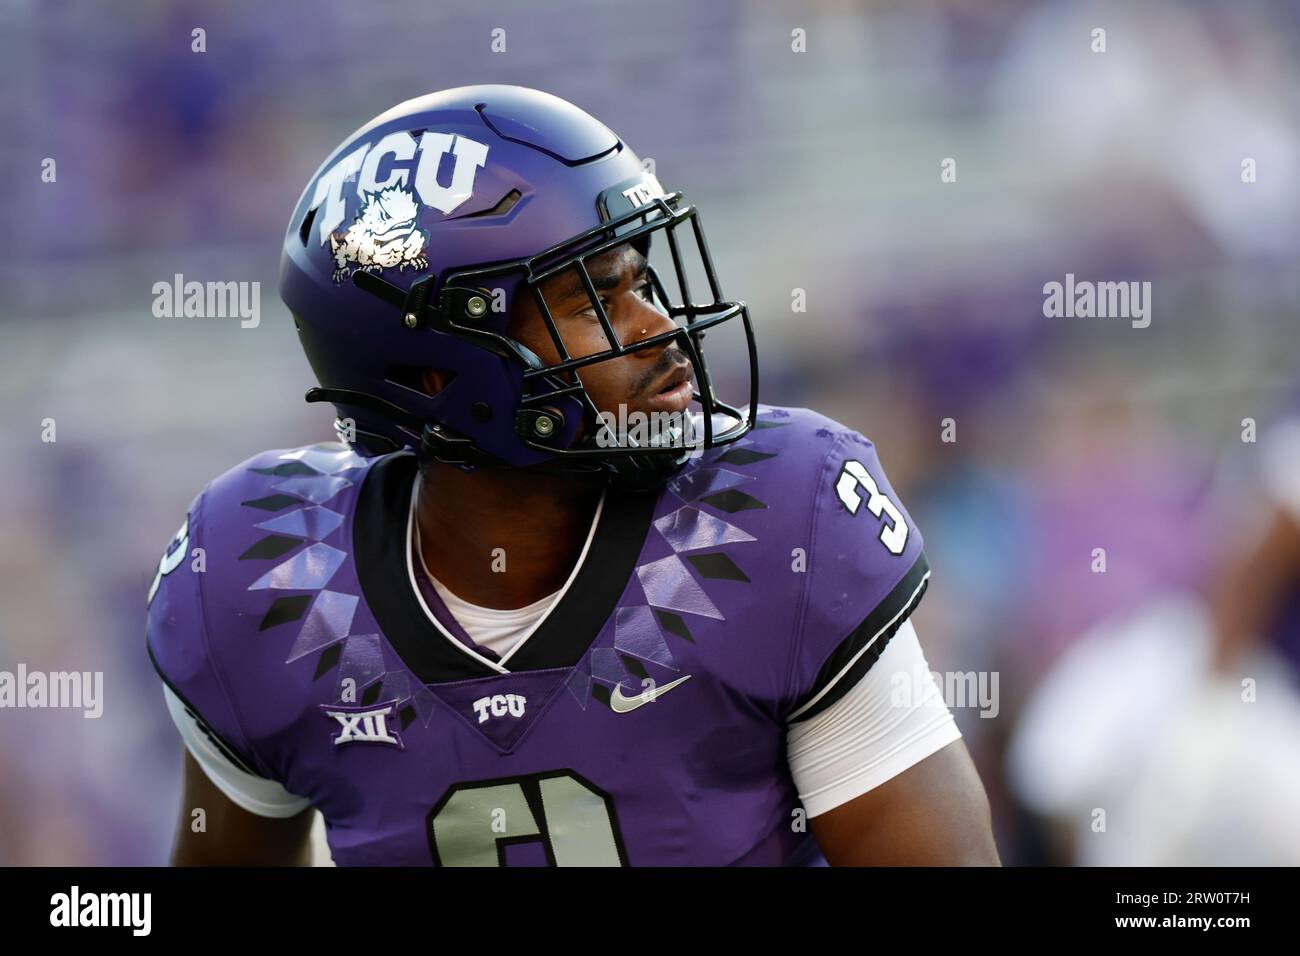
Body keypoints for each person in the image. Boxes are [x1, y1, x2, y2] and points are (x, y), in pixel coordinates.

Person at [146, 86, 999, 866]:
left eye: (642, 280)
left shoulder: (777, 518)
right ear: (439, 375)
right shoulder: (260, 575)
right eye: (596, 300)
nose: (662, 330)